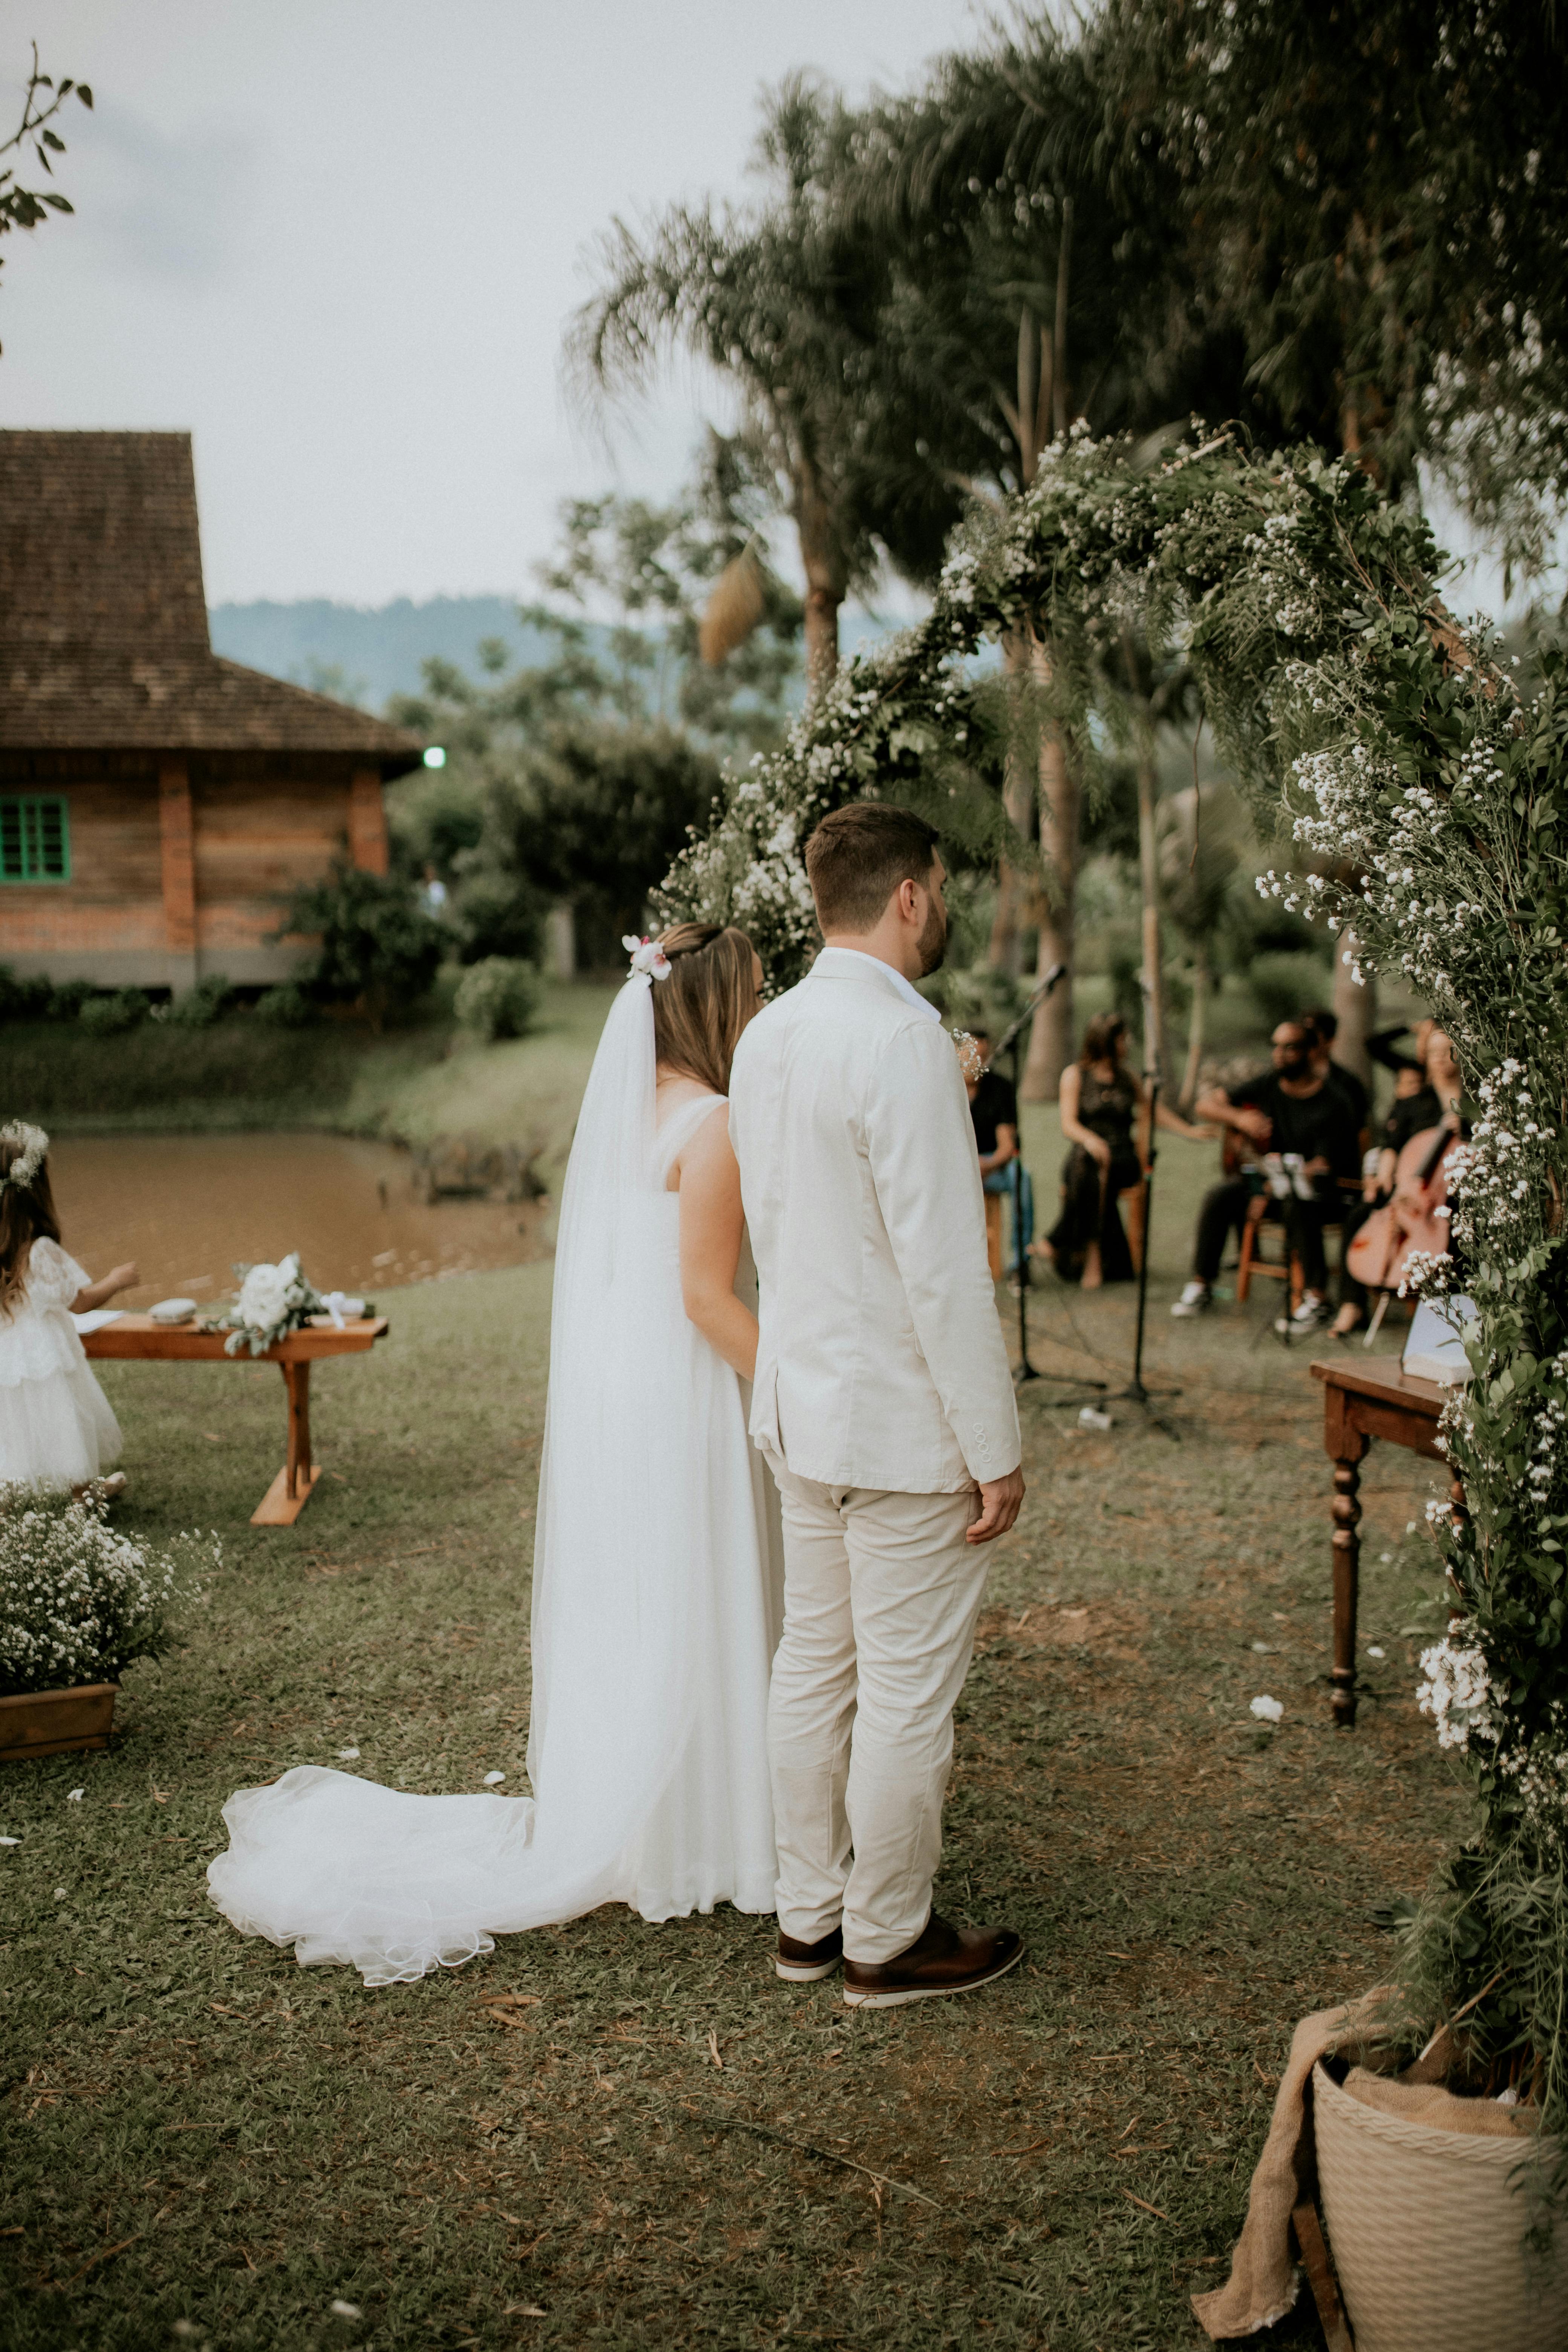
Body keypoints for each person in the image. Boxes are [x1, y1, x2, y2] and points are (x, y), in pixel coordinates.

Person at [207, 925, 782, 1986]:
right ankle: (713, 1827)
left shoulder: (629, 1117)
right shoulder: (720, 1122)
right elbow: (707, 1298)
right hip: (690, 1384)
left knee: (647, 1591)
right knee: (697, 1579)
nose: (761, 1007)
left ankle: (663, 1807)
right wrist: (795, 1389)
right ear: (713, 1007)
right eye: (753, 991)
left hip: (629, 1388)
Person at [729, 802, 1025, 2010]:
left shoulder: (767, 1036)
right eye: (940, 886)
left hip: (803, 1414)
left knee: (814, 1666)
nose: (943, 905)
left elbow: (778, 1234)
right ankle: (887, 1941)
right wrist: (993, 1446)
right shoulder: (903, 1042)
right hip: (900, 1430)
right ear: (909, 894)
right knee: (905, 1693)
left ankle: (809, 1917)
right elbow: (943, 1268)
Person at [1171, 1020, 1361, 1332]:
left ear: (1311, 1052)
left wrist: (1285, 1177)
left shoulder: (1334, 1102)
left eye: (1290, 1048)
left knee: (1298, 1203)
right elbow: (1206, 1105)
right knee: (1221, 1196)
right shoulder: (1269, 1084)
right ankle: (1201, 1284)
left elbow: (1325, 1166)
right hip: (1273, 1185)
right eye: (1276, 1046)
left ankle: (1317, 1299)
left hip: (1322, 1196)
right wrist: (1241, 1118)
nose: (1279, 1054)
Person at [0, 1122, 137, 1494]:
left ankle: (7, 1499)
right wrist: (115, 1280)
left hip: (7, 1352)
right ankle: (82, 1493)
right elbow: (80, 1302)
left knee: (13, 1424)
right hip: (44, 1348)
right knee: (64, 1418)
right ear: (37, 1188)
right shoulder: (40, 1249)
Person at [1034, 1012, 1208, 1287]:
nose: (1127, 1045)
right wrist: (1091, 1140)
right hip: (1087, 1154)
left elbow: (1152, 1110)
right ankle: (1093, 1259)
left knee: (1093, 1172)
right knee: (1088, 1166)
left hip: (1123, 1158)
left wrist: (1188, 1131)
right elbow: (1069, 1125)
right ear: (1106, 1041)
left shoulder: (1127, 1077)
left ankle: (1057, 1240)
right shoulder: (1075, 1075)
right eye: (1122, 1039)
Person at [963, 1027, 1034, 1276]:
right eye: (971, 1055)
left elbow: (1008, 1145)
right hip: (956, 1167)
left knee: (1021, 1177)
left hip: (991, 1165)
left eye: (983, 1056)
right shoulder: (943, 1087)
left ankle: (1021, 1263)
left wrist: (987, 1165)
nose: (977, 1062)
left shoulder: (1000, 1088)